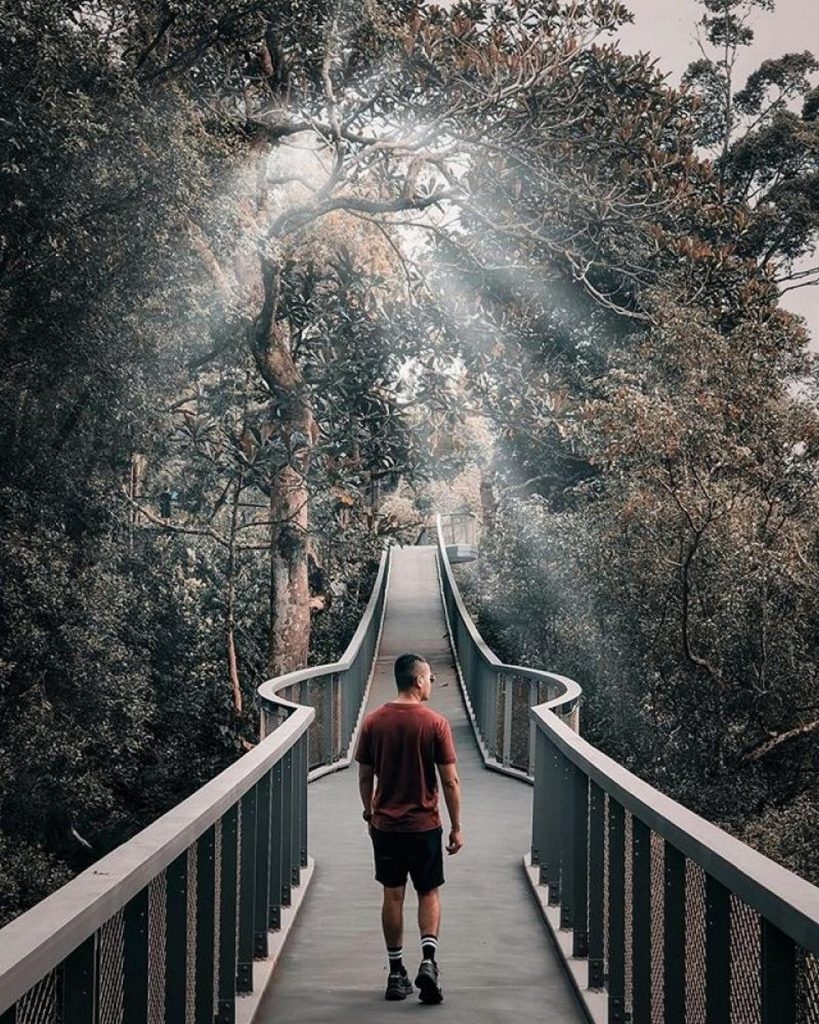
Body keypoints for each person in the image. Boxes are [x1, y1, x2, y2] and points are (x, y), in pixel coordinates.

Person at [355, 652, 463, 1004]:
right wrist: (456, 826)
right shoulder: (435, 723)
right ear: (417, 680)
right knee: (428, 891)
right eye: (430, 677)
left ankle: (396, 972)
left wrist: (370, 813)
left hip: (386, 825)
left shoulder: (373, 721)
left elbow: (364, 774)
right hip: (424, 825)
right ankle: (429, 963)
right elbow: (450, 782)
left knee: (393, 893)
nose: (432, 682)